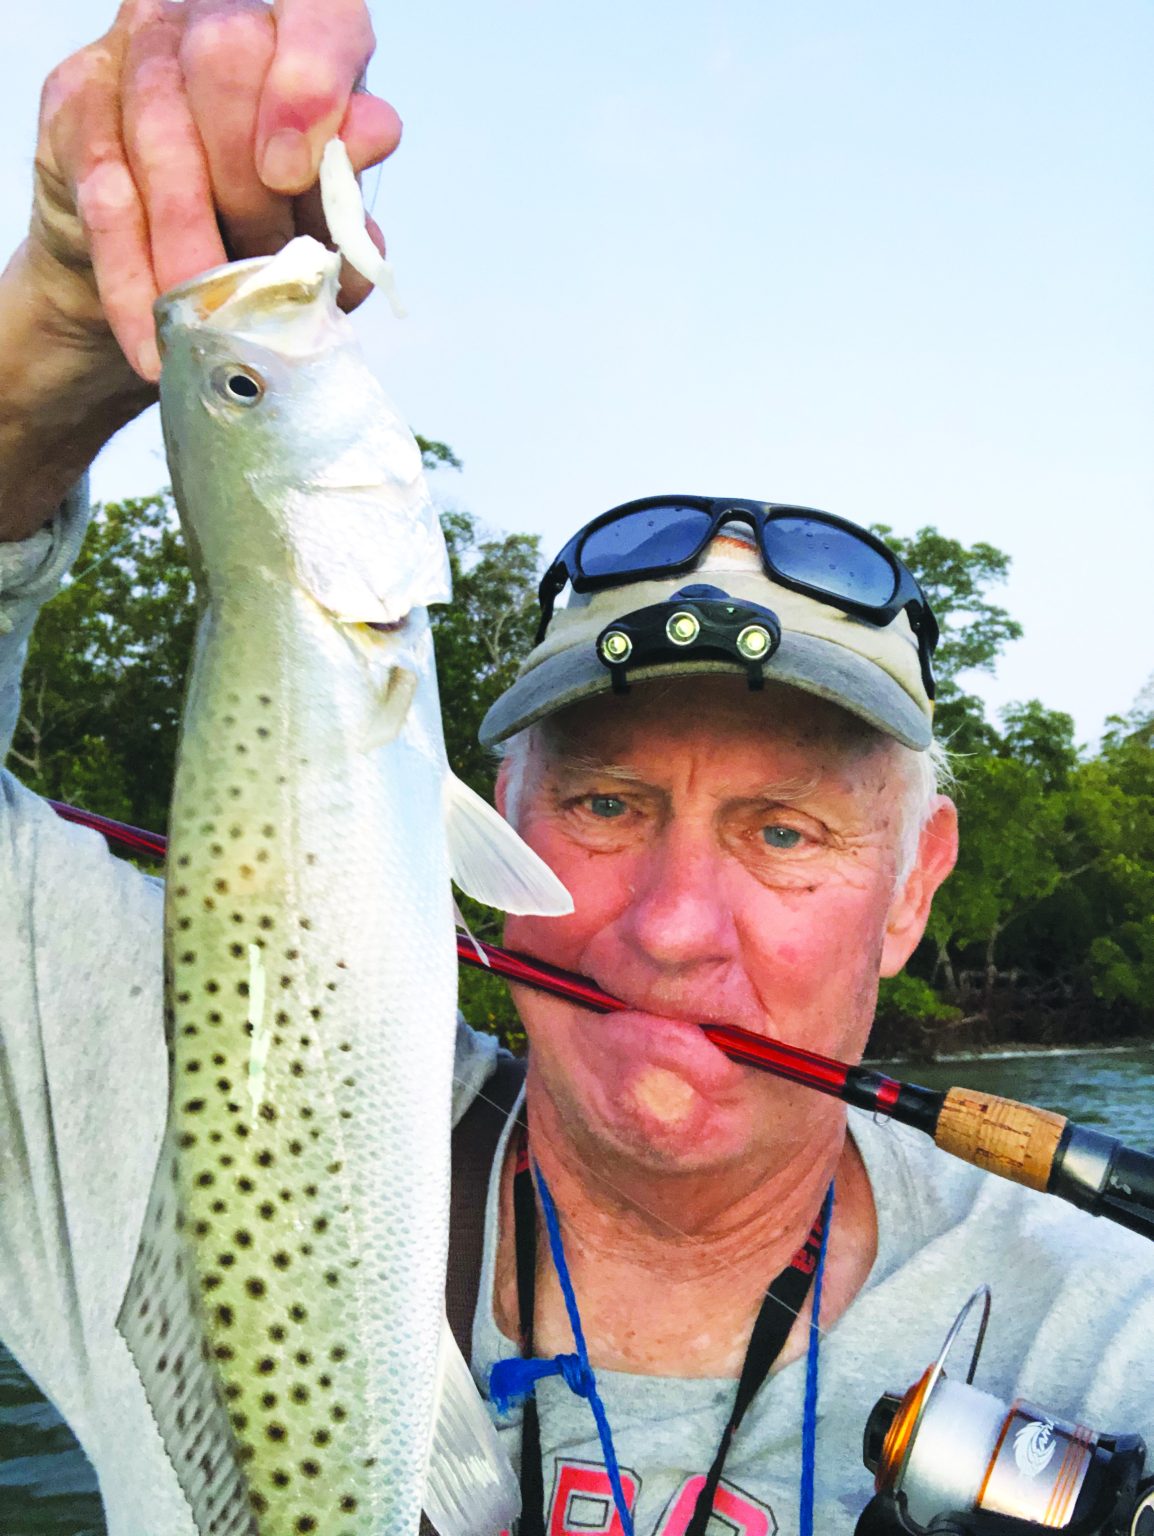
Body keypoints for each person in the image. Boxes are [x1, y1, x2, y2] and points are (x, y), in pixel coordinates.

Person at [2, 6, 1153, 1535]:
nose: (675, 924)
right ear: (489, 814)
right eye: (606, 805)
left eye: (785, 832)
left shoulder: (1108, 1332)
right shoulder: (145, 1086)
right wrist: (46, 364)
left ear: (911, 889)